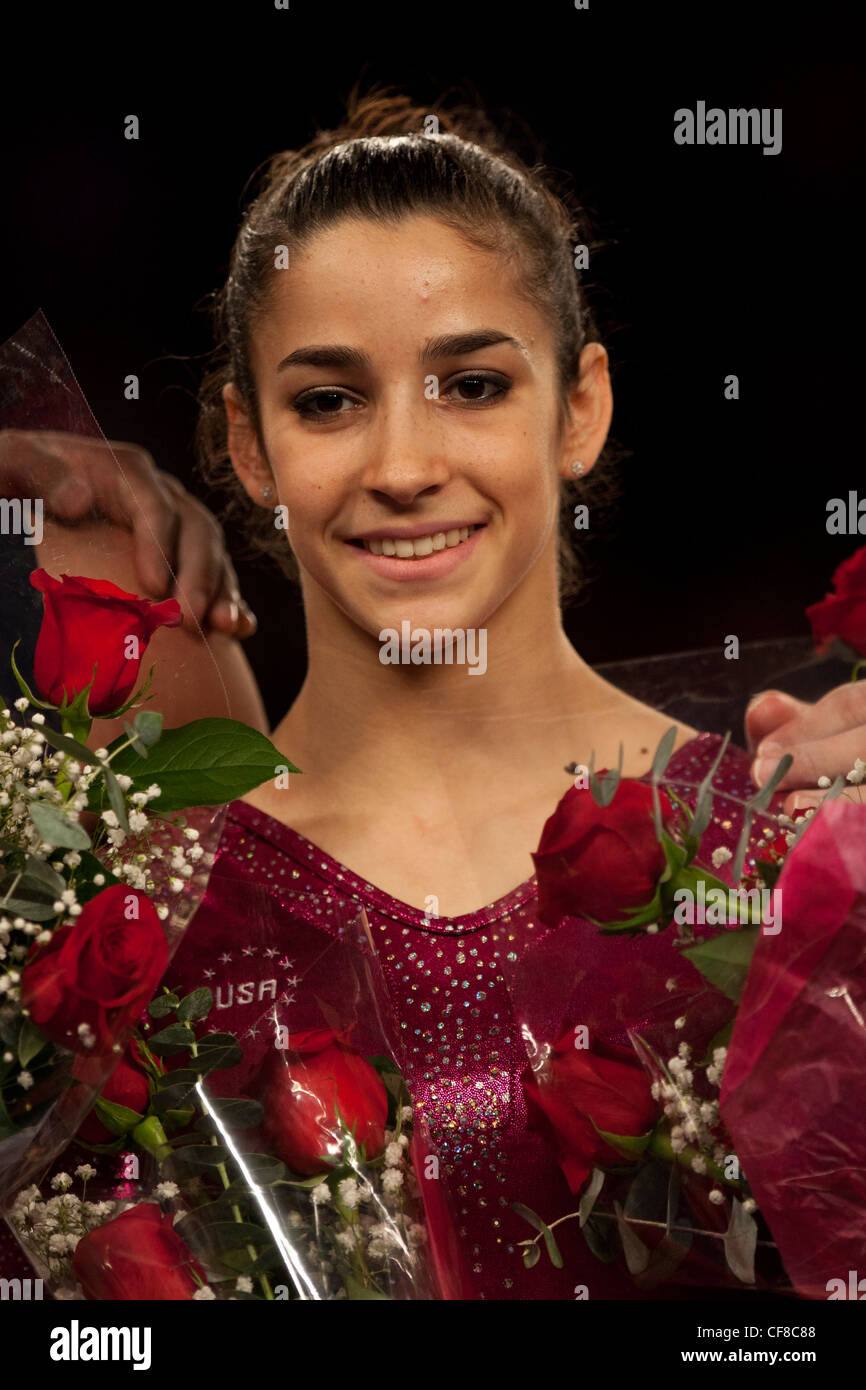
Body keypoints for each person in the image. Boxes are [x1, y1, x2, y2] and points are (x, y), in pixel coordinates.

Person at [2, 89, 864, 1299]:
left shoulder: (785, 849)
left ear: (579, 407)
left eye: (471, 385)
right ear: (251, 449)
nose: (404, 467)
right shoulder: (137, 933)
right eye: (327, 401)